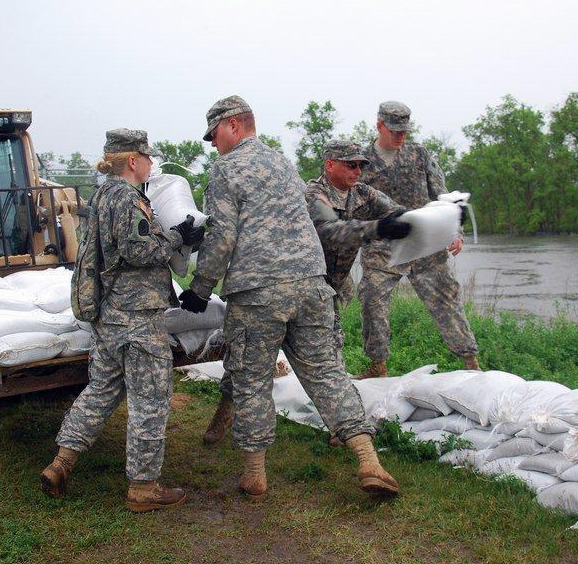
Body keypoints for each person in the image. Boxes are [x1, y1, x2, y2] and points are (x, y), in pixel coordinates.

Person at [180, 95, 399, 499]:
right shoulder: (282, 162)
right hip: (313, 284)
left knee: (251, 378)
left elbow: (222, 236)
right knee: (326, 372)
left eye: (213, 136)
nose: (213, 145)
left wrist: (199, 289)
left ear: (232, 126)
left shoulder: (226, 169)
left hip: (259, 290)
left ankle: (254, 474)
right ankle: (369, 461)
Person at [40, 128, 205, 511]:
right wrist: (177, 237)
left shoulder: (101, 196)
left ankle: (61, 463)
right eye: (148, 158)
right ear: (133, 161)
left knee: (100, 391)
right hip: (138, 320)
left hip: (108, 316)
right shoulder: (128, 200)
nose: (152, 164)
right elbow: (137, 250)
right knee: (150, 401)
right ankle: (144, 488)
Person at [356, 101, 480, 377]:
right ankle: (378, 366)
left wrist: (455, 231)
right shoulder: (362, 161)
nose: (401, 138)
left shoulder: (420, 155)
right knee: (371, 300)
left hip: (426, 244)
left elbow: (443, 194)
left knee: (447, 301)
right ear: (379, 127)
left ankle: (471, 363)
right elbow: (355, 202)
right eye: (395, 132)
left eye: (405, 132)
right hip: (382, 248)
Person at [304, 139, 410, 372]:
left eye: (360, 166)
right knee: (320, 346)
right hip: (307, 284)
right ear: (330, 165)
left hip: (335, 284)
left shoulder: (362, 192)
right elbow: (330, 231)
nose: (358, 171)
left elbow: (399, 212)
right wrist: (379, 228)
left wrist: (444, 217)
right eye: (351, 165)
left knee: (326, 345)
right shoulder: (315, 194)